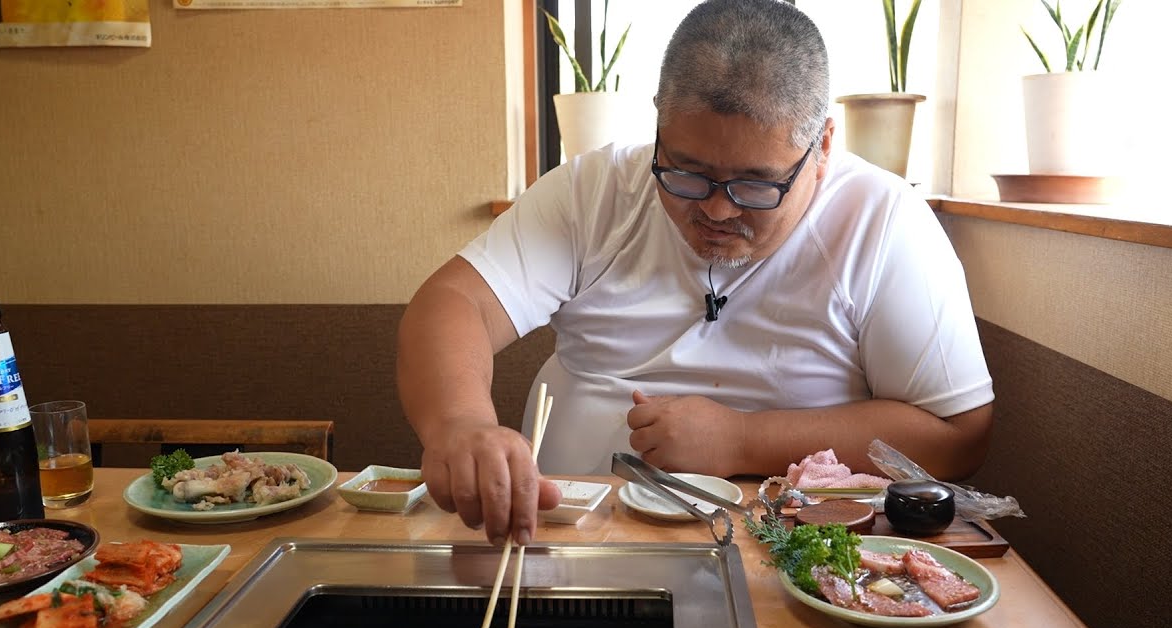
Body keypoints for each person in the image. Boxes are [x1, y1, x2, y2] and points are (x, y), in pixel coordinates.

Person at [397, 0, 994, 547]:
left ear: (823, 147)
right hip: (569, 532)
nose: (715, 209)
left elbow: (956, 433)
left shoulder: (882, 220)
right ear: (659, 127)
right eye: (684, 172)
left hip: (789, 550)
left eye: (755, 185)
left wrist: (742, 439)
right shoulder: (596, 190)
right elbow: (457, 302)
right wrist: (459, 424)